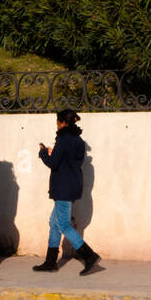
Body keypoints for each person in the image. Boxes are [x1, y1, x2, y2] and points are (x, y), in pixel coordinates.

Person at [33, 109, 100, 275]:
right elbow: (70, 161)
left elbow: (53, 163)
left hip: (63, 188)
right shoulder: (78, 141)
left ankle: (89, 256)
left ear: (62, 122)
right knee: (54, 223)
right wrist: (54, 153)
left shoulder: (63, 140)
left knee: (63, 224)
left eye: (57, 121)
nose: (56, 125)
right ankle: (50, 262)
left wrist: (43, 153)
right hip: (72, 186)